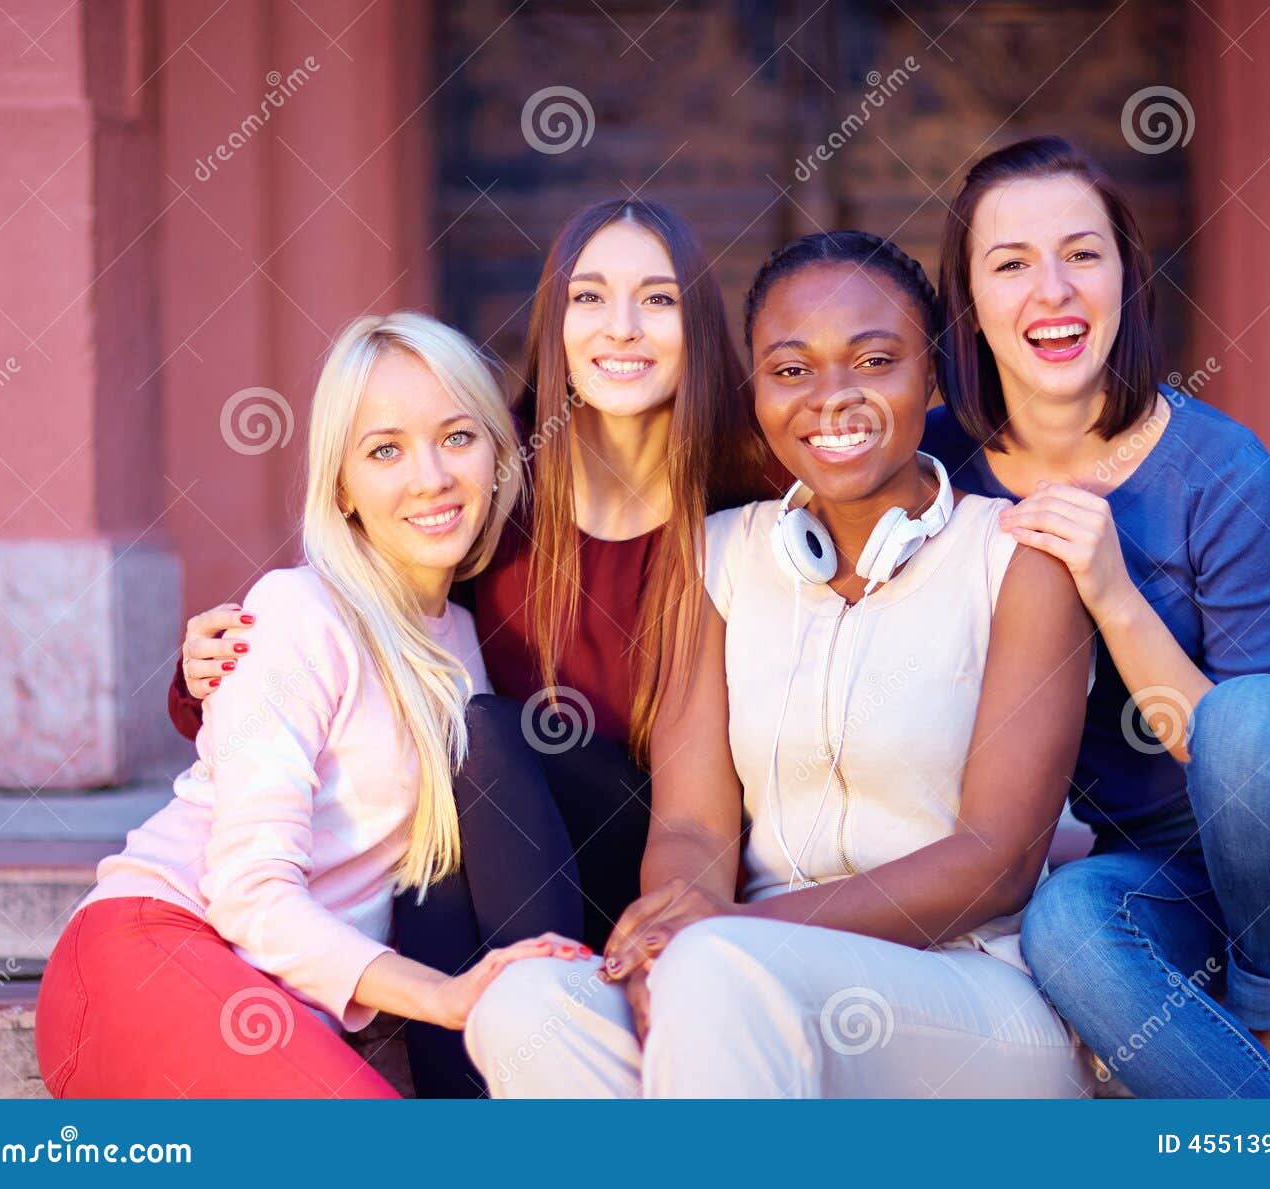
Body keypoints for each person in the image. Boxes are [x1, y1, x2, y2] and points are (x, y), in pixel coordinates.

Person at [462, 232, 1095, 1098]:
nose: (832, 398)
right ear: (753, 389)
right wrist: (671, 928)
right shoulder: (717, 555)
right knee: (527, 1007)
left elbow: (997, 858)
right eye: (791, 370)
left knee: (719, 975)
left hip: (970, 996)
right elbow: (690, 825)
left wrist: (732, 932)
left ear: (935, 374)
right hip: (734, 982)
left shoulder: (1017, 558)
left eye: (874, 360)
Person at [162, 199, 772, 1096]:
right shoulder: (497, 470)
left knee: (480, 734)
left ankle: (551, 1033)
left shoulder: (746, 495)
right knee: (436, 839)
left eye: (658, 299)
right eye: (591, 298)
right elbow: (357, 593)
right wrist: (202, 676)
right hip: (507, 856)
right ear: (556, 323)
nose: (622, 329)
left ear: (699, 324)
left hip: (680, 851)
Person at [924, 135, 1270, 1098]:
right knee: (1067, 925)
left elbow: (1240, 759)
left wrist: (1112, 590)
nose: (1054, 290)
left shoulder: (1222, 467)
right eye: (1010, 264)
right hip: (1169, 872)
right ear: (970, 303)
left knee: (1245, 718)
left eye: (1083, 253)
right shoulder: (939, 472)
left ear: (1126, 273)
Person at [34, 313, 583, 1098]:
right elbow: (250, 893)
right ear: (342, 487)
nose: (430, 477)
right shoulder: (298, 612)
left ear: (498, 453)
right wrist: (441, 995)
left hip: (284, 1008)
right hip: (151, 949)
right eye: (385, 450)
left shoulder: (468, 638)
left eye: (458, 437)